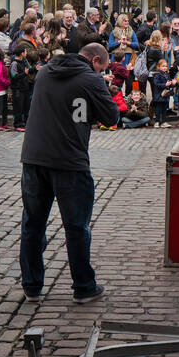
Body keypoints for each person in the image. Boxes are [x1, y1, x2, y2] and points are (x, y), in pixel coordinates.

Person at [19, 42, 117, 306]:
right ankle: (84, 287)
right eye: (102, 68)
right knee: (76, 227)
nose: (102, 72)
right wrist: (100, 90)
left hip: (34, 157)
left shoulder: (45, 71)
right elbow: (111, 117)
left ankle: (31, 285)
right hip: (70, 162)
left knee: (32, 224)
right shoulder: (91, 80)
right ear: (96, 60)